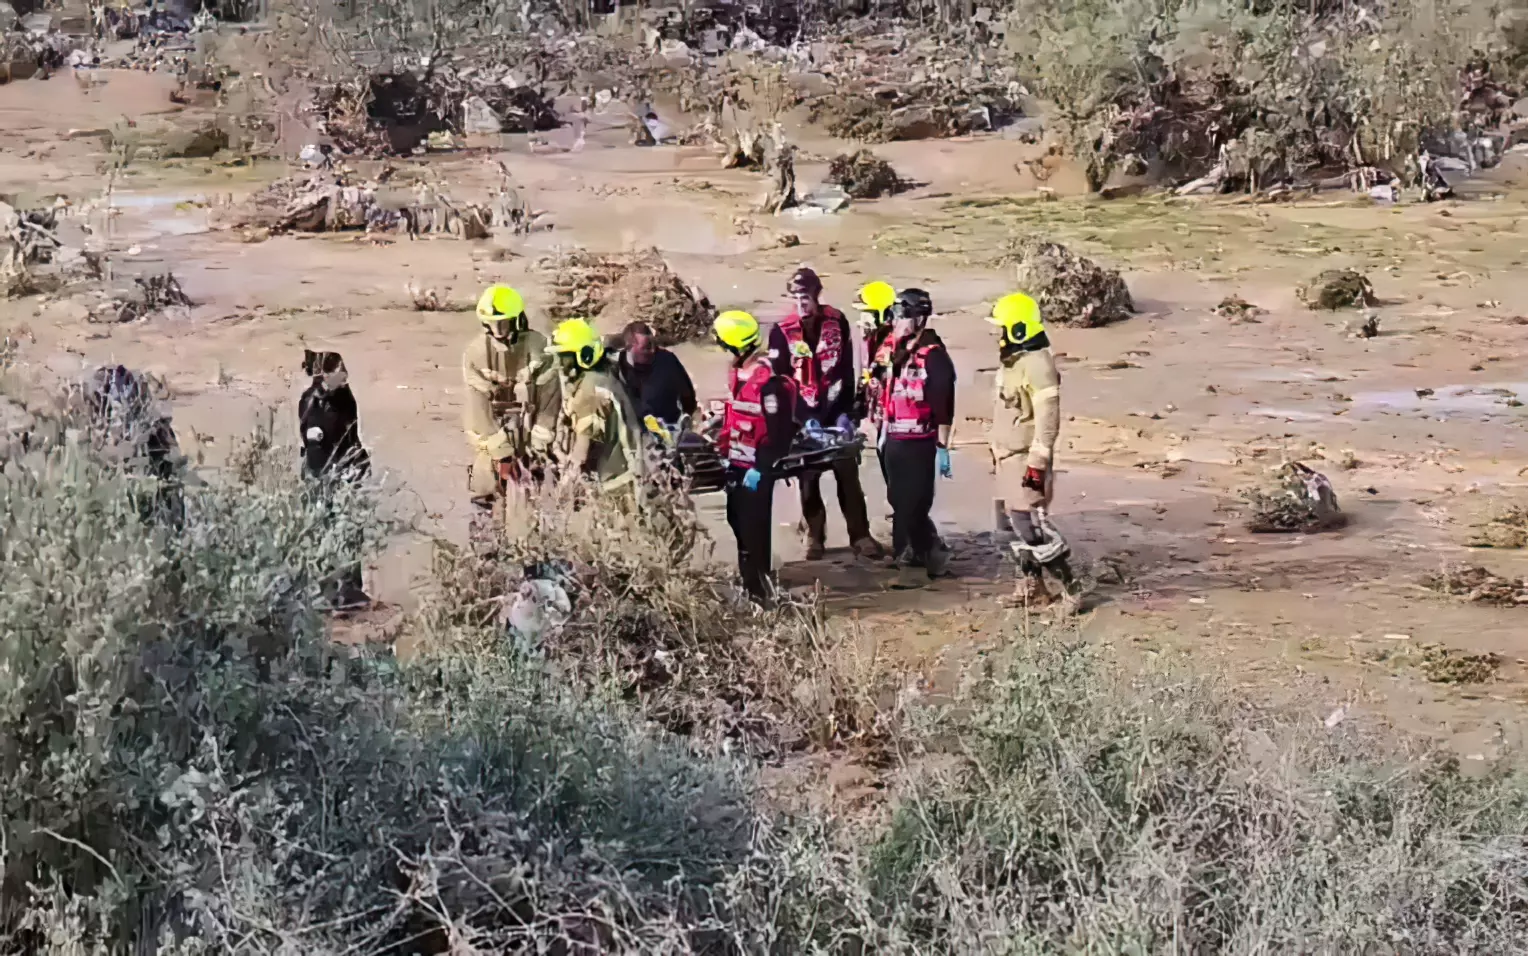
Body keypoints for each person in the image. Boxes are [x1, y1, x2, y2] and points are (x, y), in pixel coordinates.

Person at [768, 266, 883, 560]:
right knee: (808, 478)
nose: (801, 304)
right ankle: (815, 537)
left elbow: (846, 368)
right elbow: (779, 381)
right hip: (802, 414)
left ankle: (860, 535)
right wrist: (794, 420)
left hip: (835, 409)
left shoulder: (837, 321)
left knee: (847, 474)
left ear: (817, 295)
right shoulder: (781, 332)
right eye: (795, 298)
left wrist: (847, 413)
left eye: (805, 297)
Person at [986, 292, 1077, 607]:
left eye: (1002, 328)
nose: (998, 335)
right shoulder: (1013, 363)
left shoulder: (1039, 366)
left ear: (1018, 329)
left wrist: (1037, 465)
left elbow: (1048, 422)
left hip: (1026, 459)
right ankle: (1032, 587)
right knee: (1006, 528)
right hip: (1006, 458)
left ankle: (1073, 590)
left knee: (1030, 526)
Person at [714, 310, 795, 605]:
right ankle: (750, 584)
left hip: (757, 467)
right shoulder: (738, 374)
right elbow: (732, 419)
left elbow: (778, 432)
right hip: (736, 462)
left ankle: (761, 590)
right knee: (737, 521)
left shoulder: (767, 382)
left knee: (755, 528)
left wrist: (761, 467)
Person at [461, 284, 561, 520]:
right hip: (492, 429)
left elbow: (550, 398)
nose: (497, 330)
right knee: (484, 483)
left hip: (530, 425)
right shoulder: (475, 353)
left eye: (503, 322)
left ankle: (536, 543)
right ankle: (485, 547)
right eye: (492, 323)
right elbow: (479, 409)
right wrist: (502, 454)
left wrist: (539, 442)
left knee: (536, 484)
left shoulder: (540, 349)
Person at [879, 288, 957, 588]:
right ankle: (932, 556)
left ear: (919, 318)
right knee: (898, 499)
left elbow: (944, 406)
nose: (896, 322)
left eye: (901, 316)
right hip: (894, 435)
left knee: (912, 503)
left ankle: (913, 567)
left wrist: (942, 446)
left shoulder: (933, 357)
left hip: (919, 441)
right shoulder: (896, 350)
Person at [297, 349, 371, 610]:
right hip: (323, 474)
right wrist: (324, 485)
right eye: (339, 371)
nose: (345, 375)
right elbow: (315, 452)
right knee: (324, 529)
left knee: (352, 527)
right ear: (324, 376)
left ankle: (350, 589)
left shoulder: (344, 397)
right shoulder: (312, 403)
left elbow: (351, 435)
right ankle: (327, 592)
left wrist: (359, 466)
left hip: (348, 468)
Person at [544, 318, 647, 495]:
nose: (558, 364)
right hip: (625, 476)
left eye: (564, 357)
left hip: (617, 484)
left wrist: (564, 490)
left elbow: (582, 451)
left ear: (584, 355)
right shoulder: (601, 375)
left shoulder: (591, 389)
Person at [851, 280, 899, 485]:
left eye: (867, 312)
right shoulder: (872, 339)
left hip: (892, 419)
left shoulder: (891, 343)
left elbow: (882, 379)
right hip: (879, 416)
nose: (862, 318)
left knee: (894, 473)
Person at [614, 320, 697, 429]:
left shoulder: (667, 361)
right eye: (646, 347)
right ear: (629, 347)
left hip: (669, 430)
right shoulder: (616, 367)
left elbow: (688, 398)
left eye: (654, 344)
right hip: (634, 434)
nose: (653, 350)